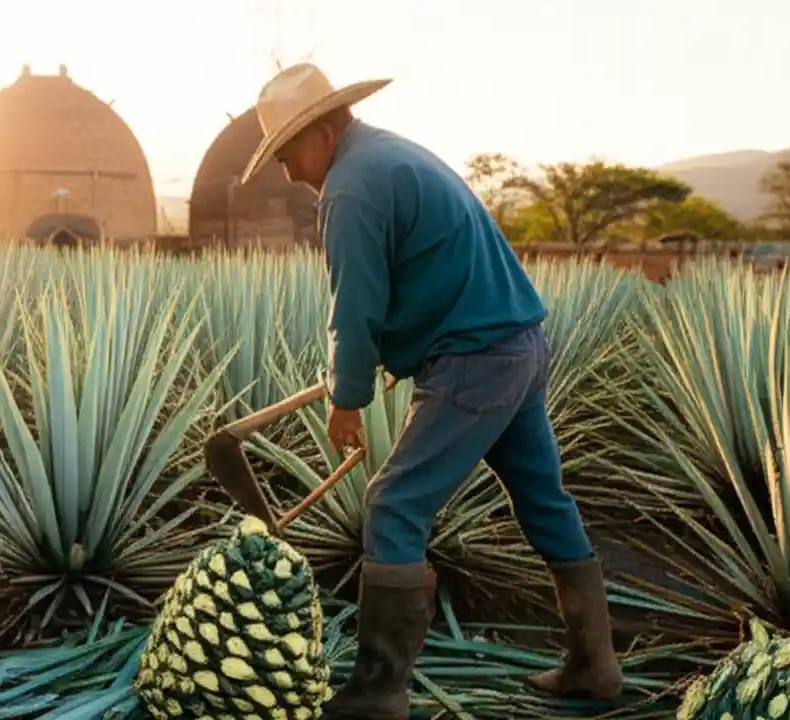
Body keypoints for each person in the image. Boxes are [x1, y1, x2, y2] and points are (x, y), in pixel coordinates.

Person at [238, 63, 624, 718]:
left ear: (324, 131)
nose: (288, 172)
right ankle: (596, 665)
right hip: (519, 346)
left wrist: (347, 398)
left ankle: (378, 692)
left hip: (476, 360)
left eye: (289, 152)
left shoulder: (352, 187)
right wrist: (404, 349)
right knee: (543, 499)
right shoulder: (393, 156)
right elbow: (428, 271)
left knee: (392, 505)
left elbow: (354, 305)